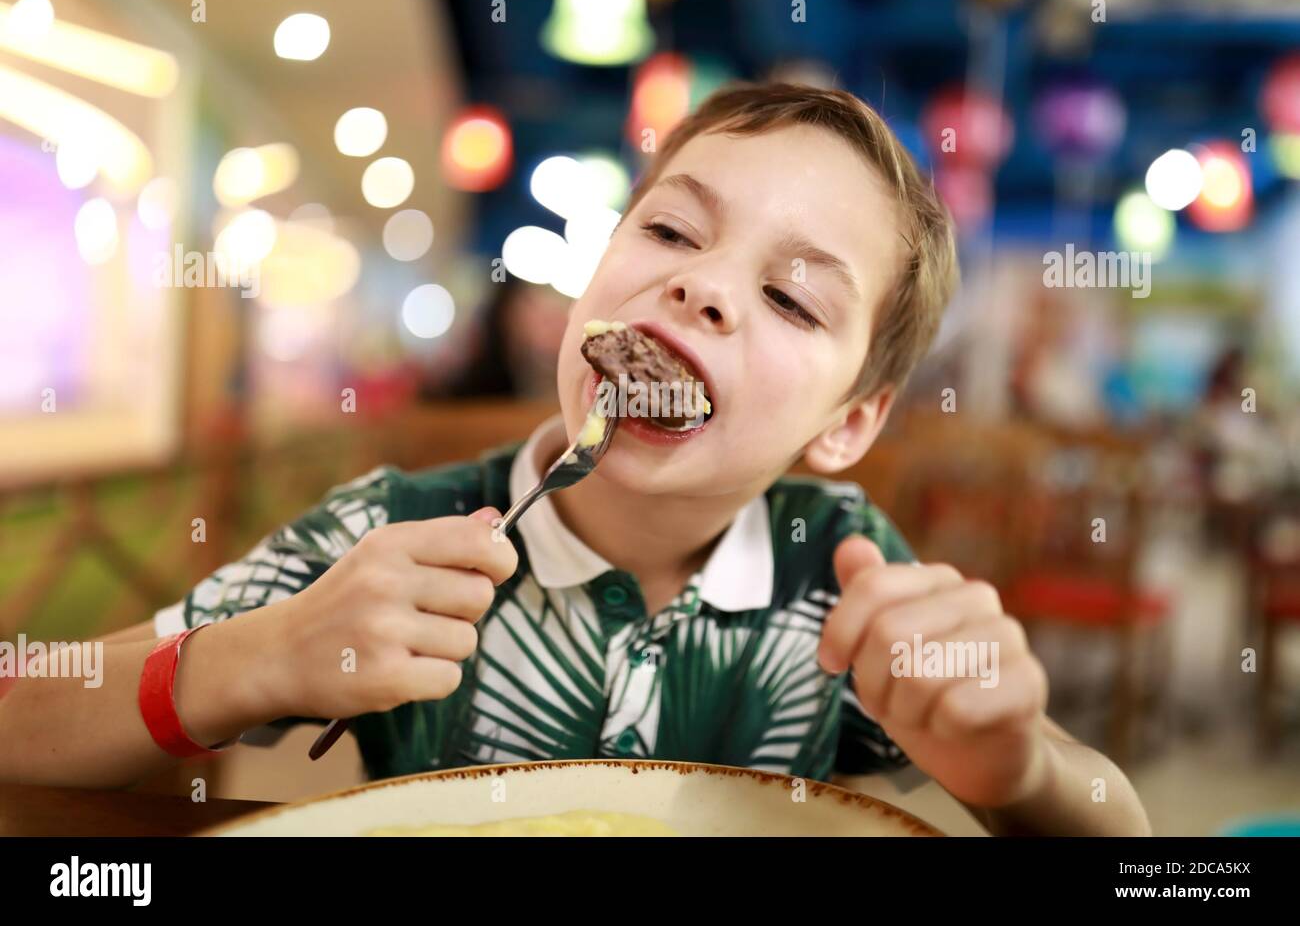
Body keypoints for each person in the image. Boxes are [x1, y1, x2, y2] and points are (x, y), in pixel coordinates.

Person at [0, 82, 1148, 835]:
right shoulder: (393, 530)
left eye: (791, 297)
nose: (699, 283)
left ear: (847, 423)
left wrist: (1021, 769)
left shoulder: (840, 570)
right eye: (668, 231)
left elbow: (1127, 837)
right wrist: (249, 658)